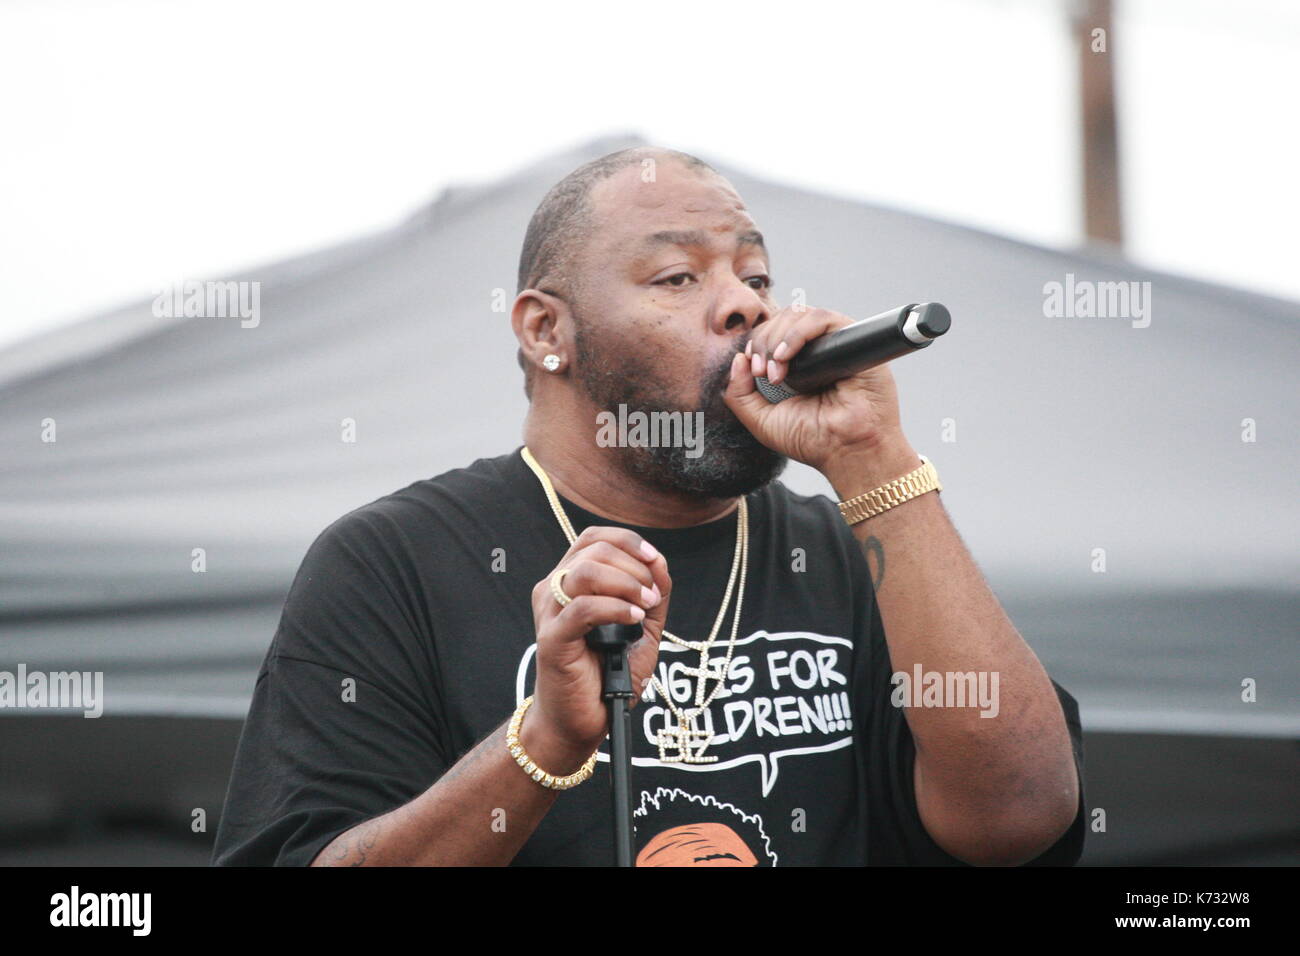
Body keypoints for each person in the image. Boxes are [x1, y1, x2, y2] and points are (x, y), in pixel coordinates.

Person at [212, 147, 1086, 866]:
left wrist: (874, 460)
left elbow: (1020, 817)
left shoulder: (855, 556)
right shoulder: (393, 563)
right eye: (677, 277)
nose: (746, 302)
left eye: (756, 274)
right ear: (546, 330)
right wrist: (544, 741)